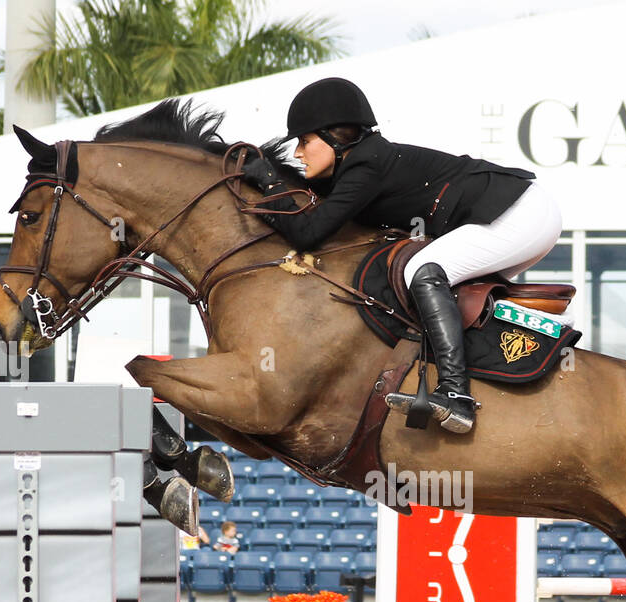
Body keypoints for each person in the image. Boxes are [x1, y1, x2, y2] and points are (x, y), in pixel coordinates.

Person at [240, 77, 563, 434]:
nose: (298, 153)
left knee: (422, 270)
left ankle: (457, 397)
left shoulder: (367, 165)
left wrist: (270, 183)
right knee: (443, 286)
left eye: (304, 141)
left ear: (335, 137)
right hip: (518, 213)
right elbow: (312, 208)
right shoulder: (360, 165)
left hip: (519, 214)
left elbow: (308, 233)